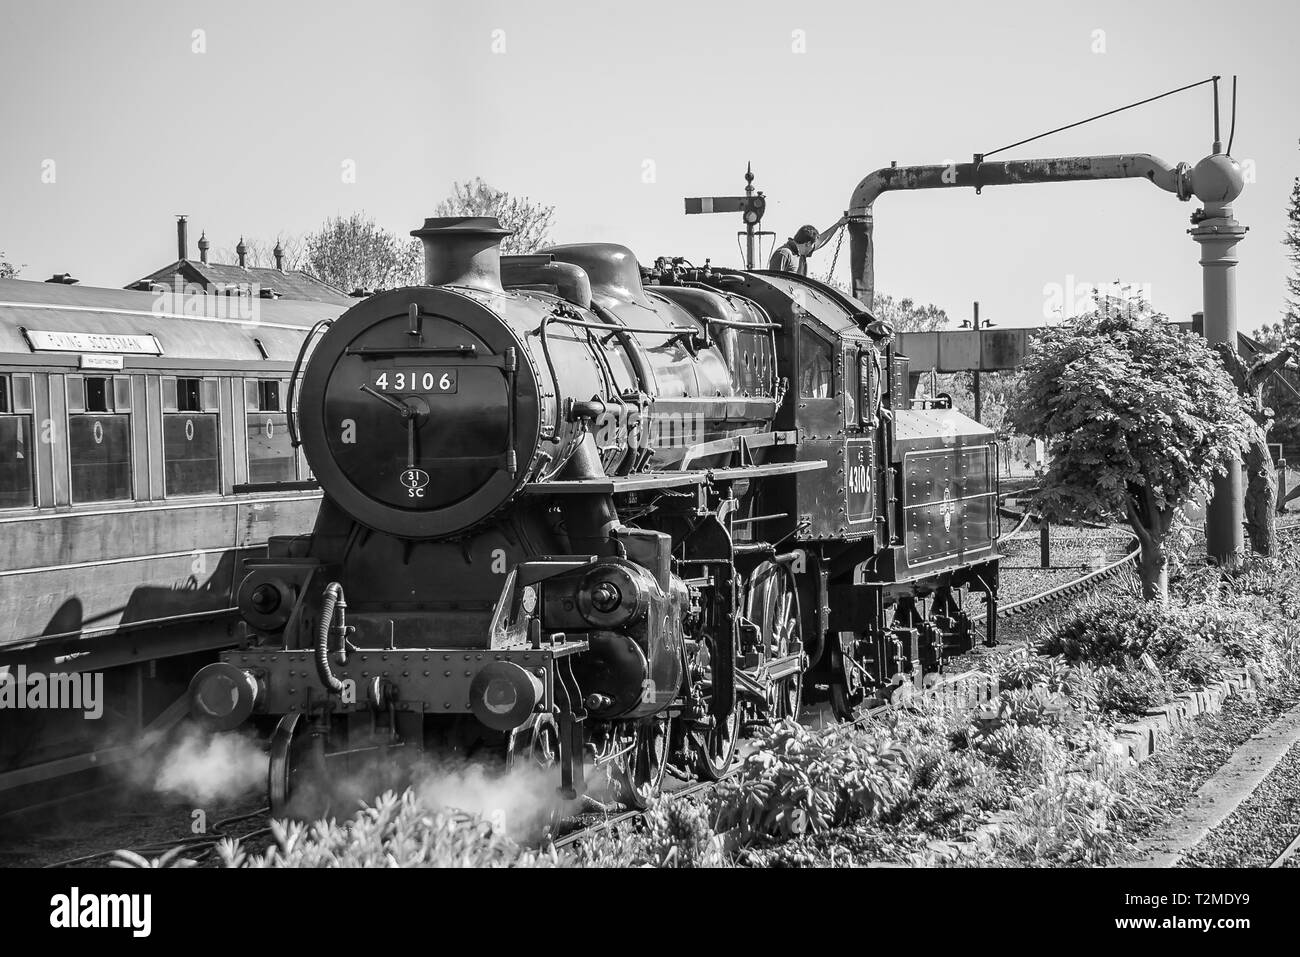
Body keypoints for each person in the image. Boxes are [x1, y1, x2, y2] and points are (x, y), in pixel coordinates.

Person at [768, 217, 846, 275]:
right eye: (813, 245)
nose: (814, 247)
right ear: (808, 244)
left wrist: (838, 224)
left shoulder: (801, 254)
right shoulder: (784, 254)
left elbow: (821, 241)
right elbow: (772, 284)